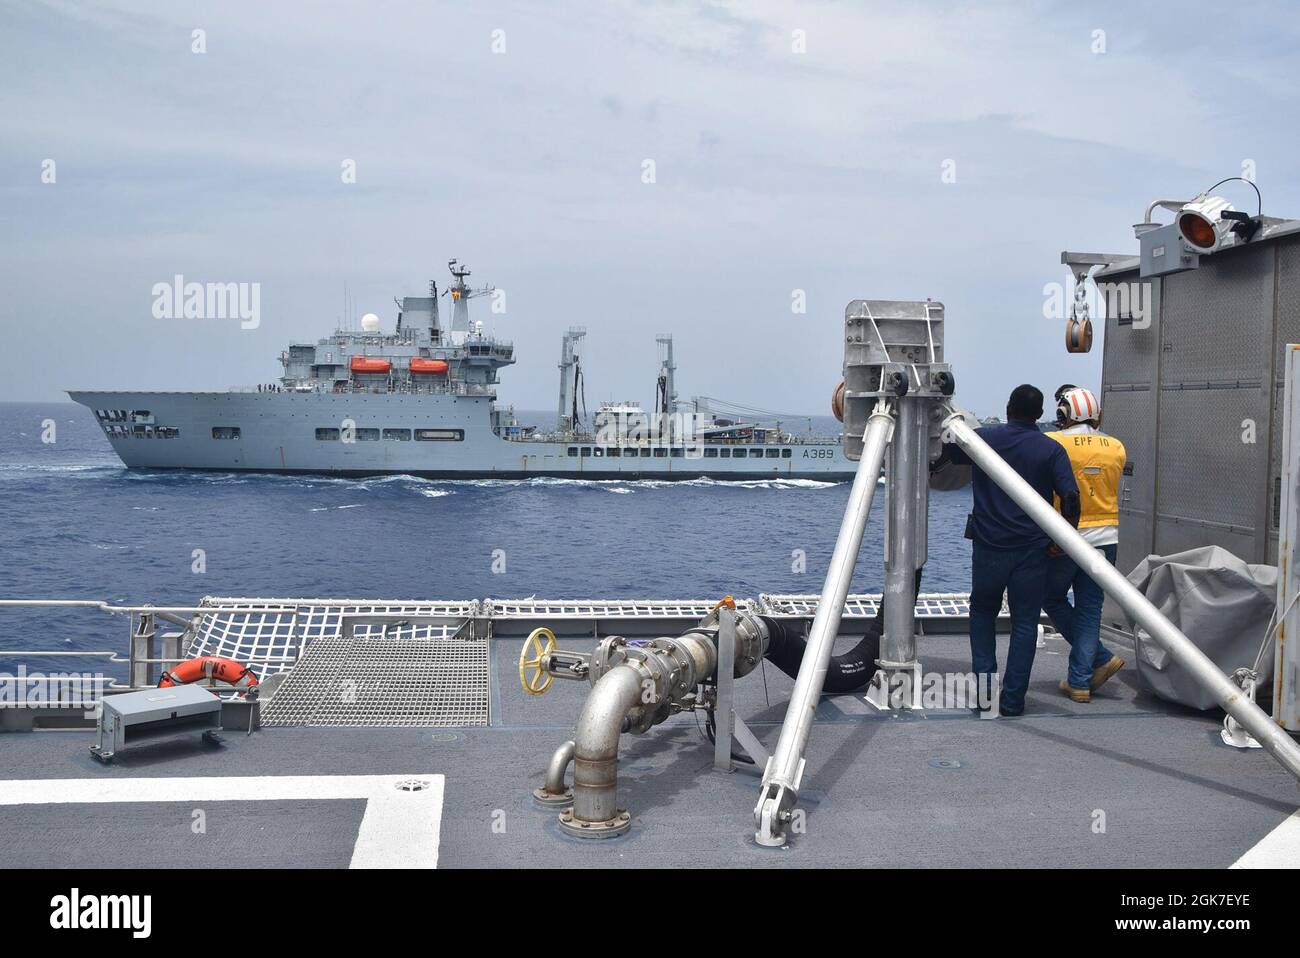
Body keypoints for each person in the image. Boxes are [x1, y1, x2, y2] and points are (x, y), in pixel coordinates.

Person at [945, 385, 1080, 715]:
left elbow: (948, 452)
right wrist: (1062, 540)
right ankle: (1013, 700)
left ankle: (986, 695)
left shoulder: (985, 440)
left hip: (988, 548)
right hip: (1032, 552)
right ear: (1039, 414)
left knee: (981, 615)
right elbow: (1072, 498)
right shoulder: (1050, 450)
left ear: (1008, 407)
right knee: (1024, 623)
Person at [1043, 385, 1127, 703]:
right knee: (1091, 608)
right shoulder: (1116, 447)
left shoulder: (1053, 442)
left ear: (1064, 413)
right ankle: (1080, 679)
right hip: (1106, 537)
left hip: (1067, 535)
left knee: (1049, 597)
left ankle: (1100, 659)